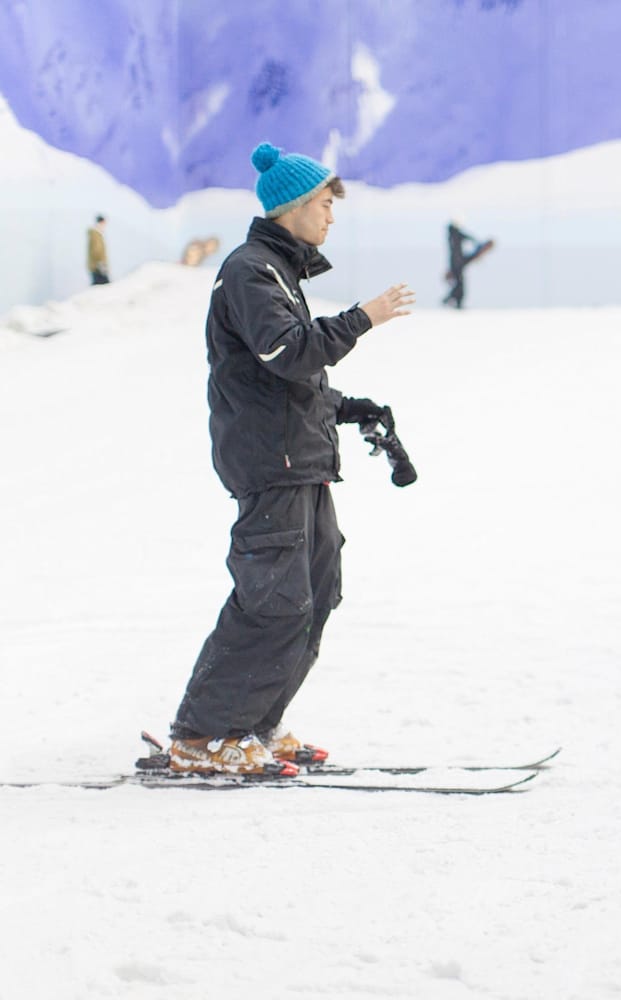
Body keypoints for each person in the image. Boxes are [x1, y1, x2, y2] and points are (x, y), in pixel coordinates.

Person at [167, 142, 416, 776]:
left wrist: (347, 407)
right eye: (326, 203)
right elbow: (288, 353)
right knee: (272, 601)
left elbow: (288, 379)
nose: (332, 215)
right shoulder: (251, 270)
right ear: (294, 207)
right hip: (269, 466)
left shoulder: (278, 274)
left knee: (316, 592)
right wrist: (365, 317)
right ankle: (201, 735)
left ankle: (253, 722)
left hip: (299, 462)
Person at [442, 220, 491, 308]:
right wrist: (477, 244)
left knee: (458, 284)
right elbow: (470, 238)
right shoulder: (457, 234)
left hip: (455, 262)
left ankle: (452, 300)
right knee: (459, 284)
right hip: (458, 262)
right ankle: (453, 301)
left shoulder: (451, 236)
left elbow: (469, 238)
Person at [87, 215, 109, 284]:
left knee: (99, 288)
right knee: (102, 288)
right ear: (100, 222)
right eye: (103, 223)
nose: (104, 225)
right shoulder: (96, 234)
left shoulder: (97, 234)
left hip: (97, 266)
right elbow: (96, 251)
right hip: (98, 267)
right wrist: (101, 264)